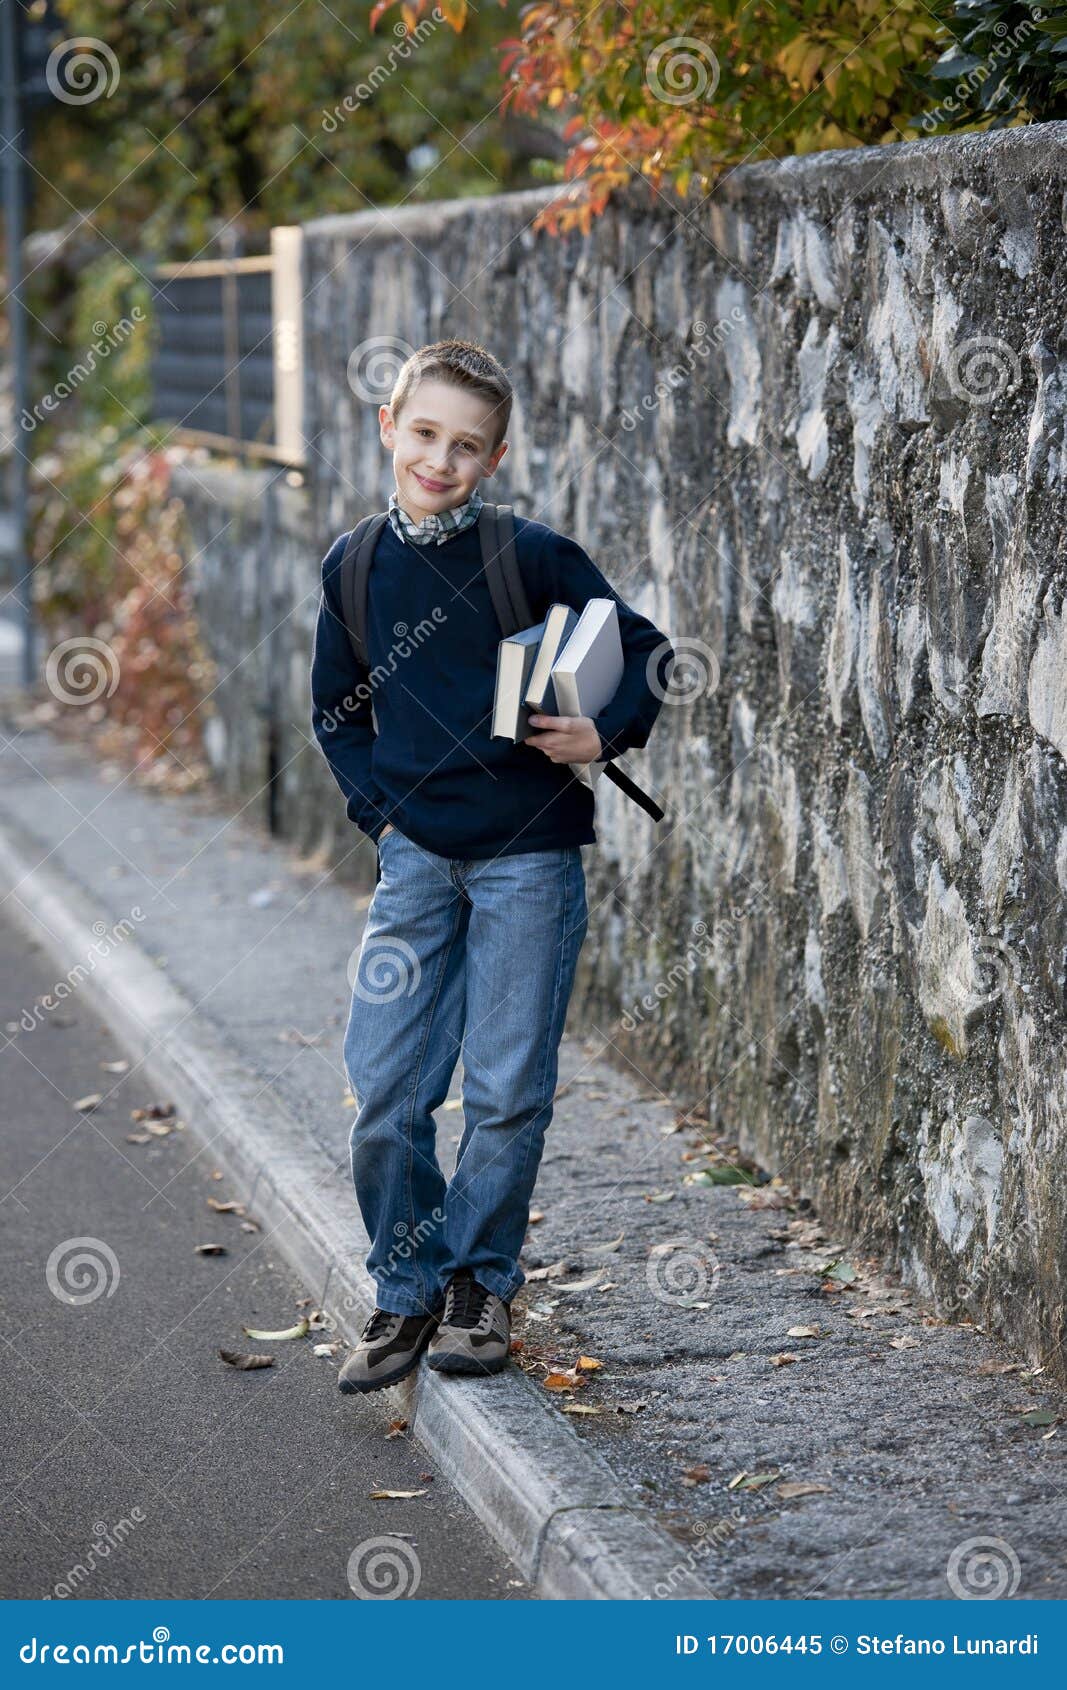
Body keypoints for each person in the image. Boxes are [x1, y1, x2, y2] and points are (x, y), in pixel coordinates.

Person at [310, 338, 673, 1392]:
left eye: (465, 445)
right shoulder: (354, 565)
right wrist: (384, 820)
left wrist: (600, 731)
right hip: (417, 860)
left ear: (495, 456)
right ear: (389, 426)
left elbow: (642, 650)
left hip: (528, 857)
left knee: (507, 1090)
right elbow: (337, 712)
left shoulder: (530, 555)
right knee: (386, 1089)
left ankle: (478, 1281)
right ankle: (404, 1283)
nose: (439, 459)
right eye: (423, 433)